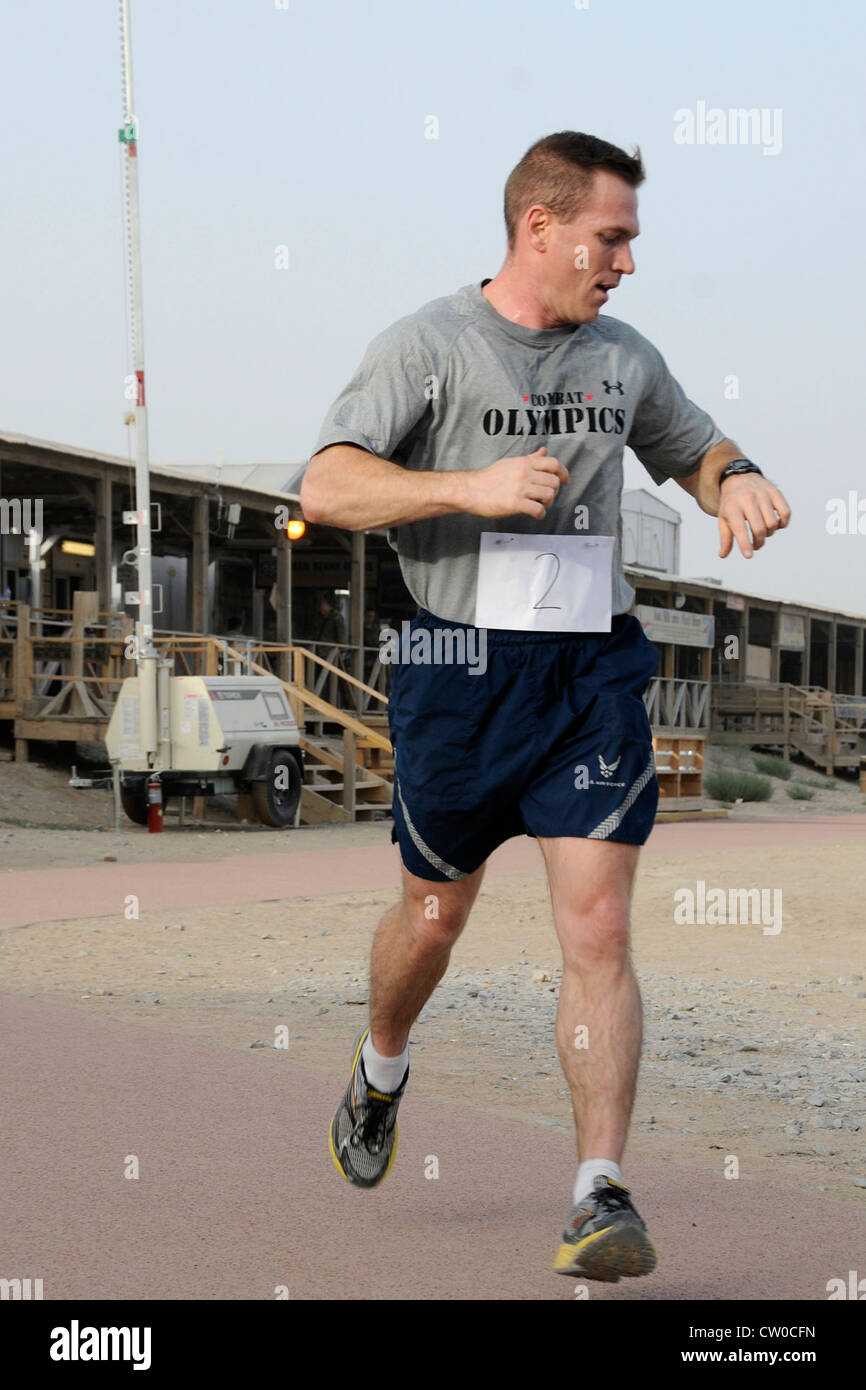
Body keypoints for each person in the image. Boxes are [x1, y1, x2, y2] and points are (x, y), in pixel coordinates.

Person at [301, 131, 790, 1283]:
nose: (622, 261)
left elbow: (693, 447)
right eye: (609, 237)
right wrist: (464, 487)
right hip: (458, 669)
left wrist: (739, 478)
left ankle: (596, 1191)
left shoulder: (621, 357)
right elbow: (325, 483)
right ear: (539, 227)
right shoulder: (427, 346)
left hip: (586, 671)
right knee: (432, 920)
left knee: (598, 929)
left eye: (628, 239)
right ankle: (379, 1066)